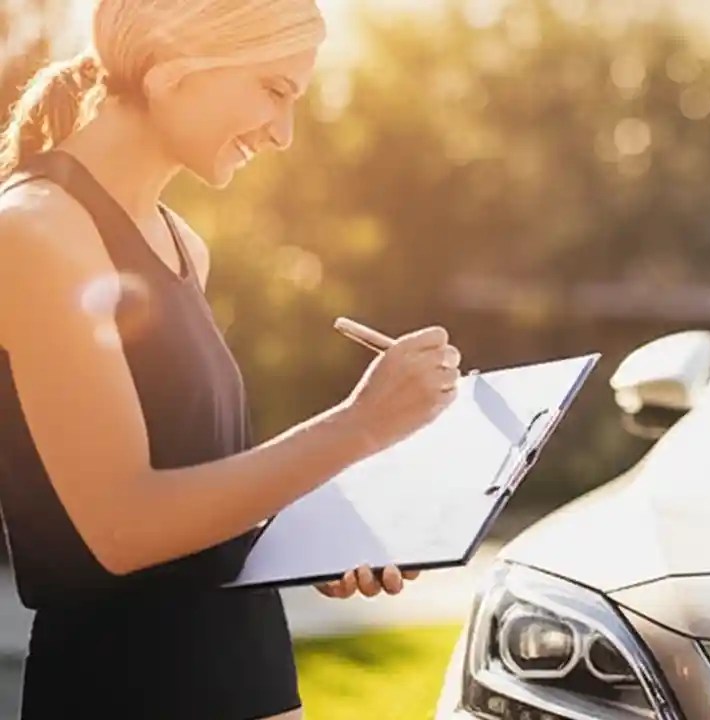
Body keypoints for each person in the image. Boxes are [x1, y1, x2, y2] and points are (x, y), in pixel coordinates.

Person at [0, 1, 462, 717]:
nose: (283, 134)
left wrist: (310, 537)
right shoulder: (32, 233)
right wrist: (360, 425)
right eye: (274, 91)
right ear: (172, 71)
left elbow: (194, 497)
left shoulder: (181, 243)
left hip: (252, 683)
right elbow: (122, 529)